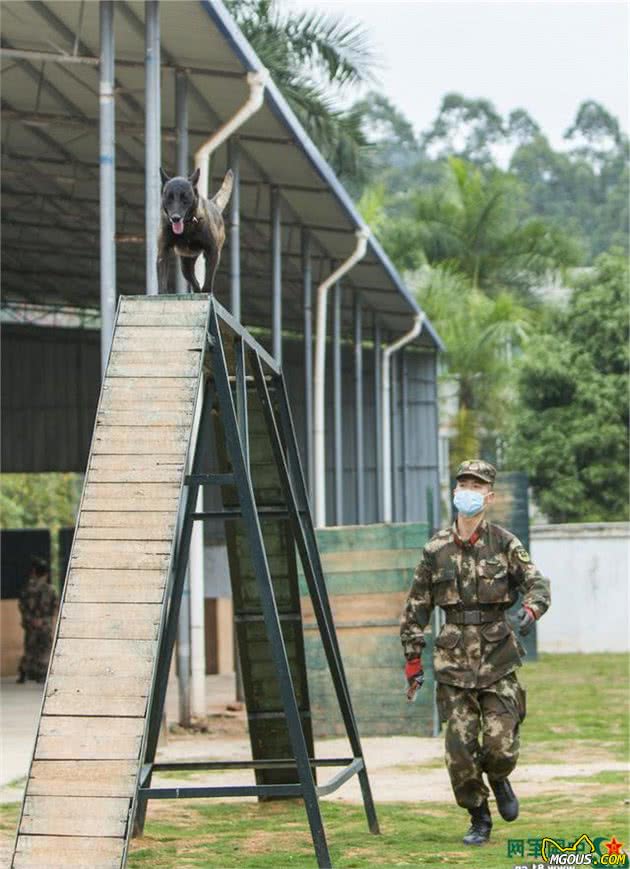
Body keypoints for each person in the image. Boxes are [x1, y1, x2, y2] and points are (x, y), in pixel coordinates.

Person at [400, 460, 551, 846]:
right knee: (459, 752)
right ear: (455, 493)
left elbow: (537, 583)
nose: (468, 489)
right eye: (463, 483)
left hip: (498, 658)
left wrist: (531, 608)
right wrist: (413, 659)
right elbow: (416, 607)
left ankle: (499, 778)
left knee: (501, 747)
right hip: (453, 665)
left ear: (490, 496)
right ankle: (479, 816)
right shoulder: (435, 549)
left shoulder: (504, 543)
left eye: (477, 485)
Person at [17, 556, 58, 685]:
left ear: (34, 572)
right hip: (45, 624)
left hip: (31, 623)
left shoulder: (27, 588)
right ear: (45, 573)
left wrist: (31, 619)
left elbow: (22, 606)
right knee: (45, 649)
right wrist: (45, 619)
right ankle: (41, 674)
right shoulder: (51, 590)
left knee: (29, 648)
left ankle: (24, 671)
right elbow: (55, 606)